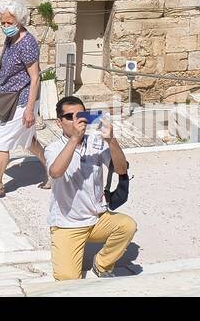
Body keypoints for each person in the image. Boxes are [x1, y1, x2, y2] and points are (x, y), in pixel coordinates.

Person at [45, 95, 136, 280]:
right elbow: (55, 172)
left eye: (80, 115)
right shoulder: (52, 148)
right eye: (69, 117)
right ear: (59, 122)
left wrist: (111, 140)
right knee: (68, 281)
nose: (76, 121)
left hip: (96, 219)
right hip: (67, 224)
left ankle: (102, 264)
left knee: (127, 226)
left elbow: (121, 169)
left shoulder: (96, 142)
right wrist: (74, 140)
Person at [0, 0, 50, 198]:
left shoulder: (27, 43)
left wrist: (29, 109)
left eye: (9, 23)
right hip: (11, 97)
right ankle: (53, 170)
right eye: (3, 23)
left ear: (19, 21)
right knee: (29, 142)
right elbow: (2, 65)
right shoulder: (10, 40)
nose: (6, 27)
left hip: (22, 99)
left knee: (2, 141)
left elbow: (35, 77)